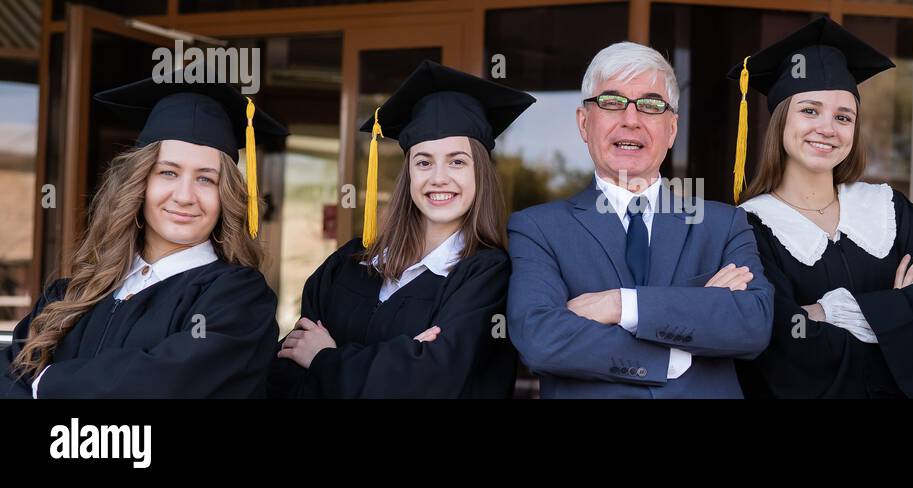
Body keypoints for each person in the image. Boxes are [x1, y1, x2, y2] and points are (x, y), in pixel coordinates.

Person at [506, 42, 774, 398]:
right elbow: (541, 338)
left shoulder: (723, 225)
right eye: (612, 102)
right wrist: (684, 333)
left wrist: (620, 304)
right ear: (584, 123)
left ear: (672, 129)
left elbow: (752, 324)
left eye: (650, 105)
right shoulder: (538, 229)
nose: (631, 120)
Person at [1, 76, 285, 398]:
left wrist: (45, 384)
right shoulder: (74, 292)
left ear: (226, 196)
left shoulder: (237, 300)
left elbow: (169, 383)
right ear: (140, 182)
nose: (184, 196)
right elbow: (11, 370)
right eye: (168, 172)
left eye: (206, 179)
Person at [730, 17, 913, 398]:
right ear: (780, 119)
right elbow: (778, 345)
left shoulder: (891, 210)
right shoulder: (750, 228)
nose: (828, 128)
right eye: (810, 110)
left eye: (843, 116)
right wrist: (898, 309)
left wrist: (826, 312)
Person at [269, 61, 527, 398]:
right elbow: (287, 369)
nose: (438, 177)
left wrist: (325, 358)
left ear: (481, 173)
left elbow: (435, 383)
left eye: (457, 161)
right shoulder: (350, 260)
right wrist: (405, 361)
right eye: (423, 162)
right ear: (408, 175)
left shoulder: (487, 275)